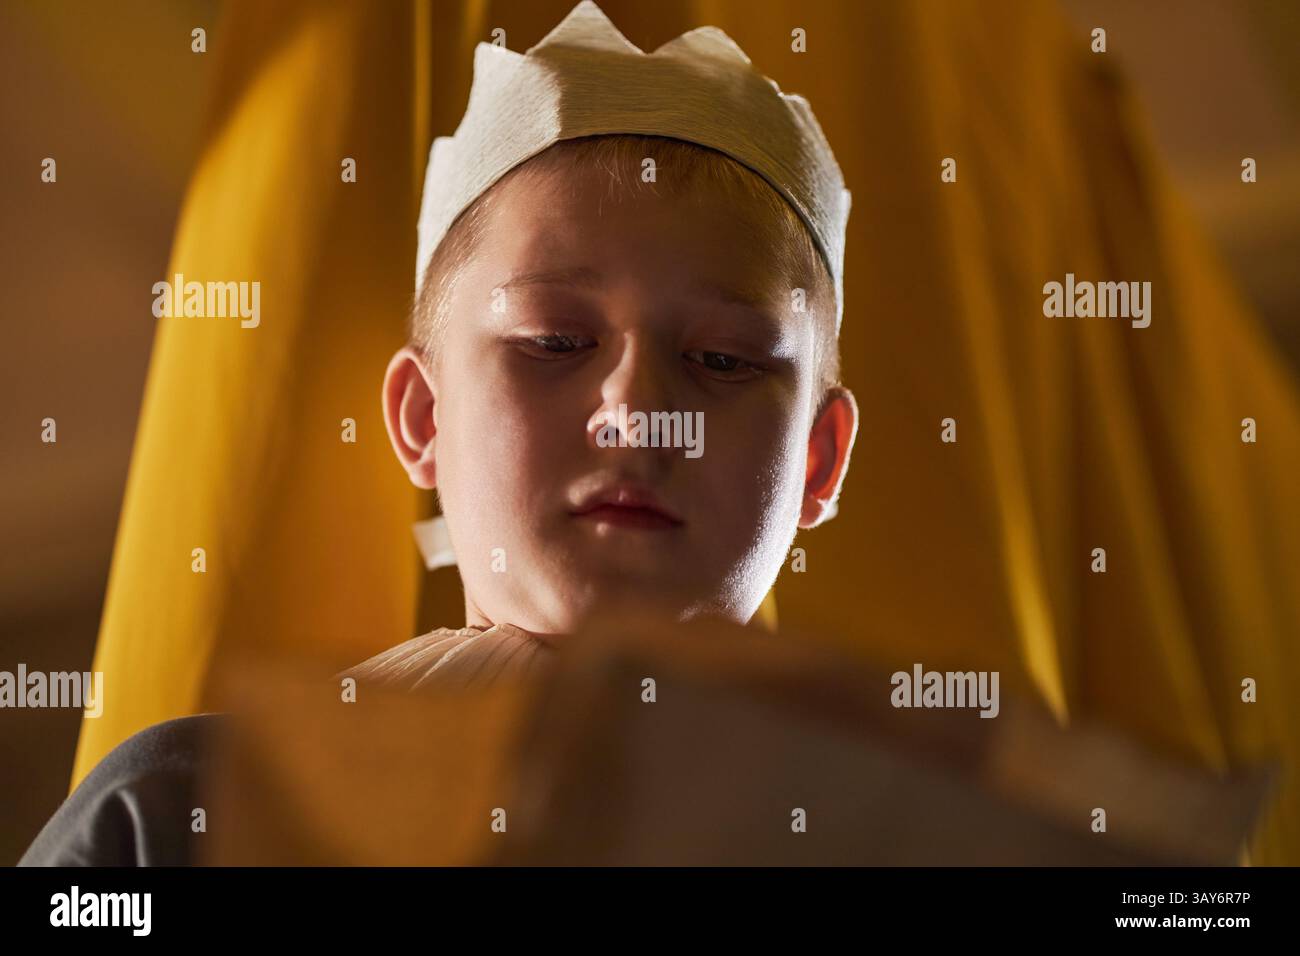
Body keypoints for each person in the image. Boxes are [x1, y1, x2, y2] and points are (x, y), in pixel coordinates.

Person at [20, 0, 857, 865]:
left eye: (722, 361)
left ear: (817, 459)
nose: (636, 414)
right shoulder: (175, 817)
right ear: (424, 418)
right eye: (554, 343)